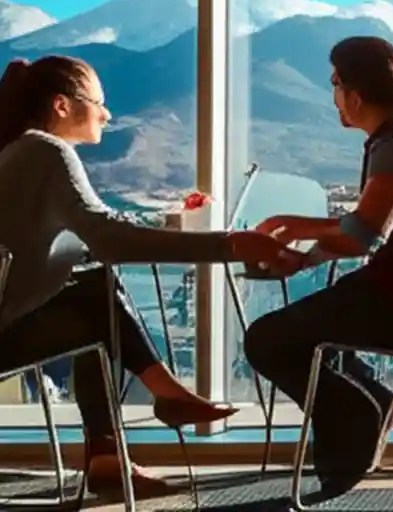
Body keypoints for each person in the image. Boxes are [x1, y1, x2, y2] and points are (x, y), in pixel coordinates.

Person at [0, 55, 293, 498]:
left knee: (95, 294)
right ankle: (137, 425)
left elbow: (93, 230)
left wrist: (167, 220)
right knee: (97, 301)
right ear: (62, 105)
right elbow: (109, 238)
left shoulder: (24, 152)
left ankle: (115, 449)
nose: (107, 113)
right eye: (98, 101)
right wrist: (228, 246)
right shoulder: (46, 151)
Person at [243, 36, 393, 494]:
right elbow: (371, 232)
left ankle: (360, 415)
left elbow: (365, 234)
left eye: (334, 82)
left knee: (266, 339)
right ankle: (368, 406)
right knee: (316, 333)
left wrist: (290, 225)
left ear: (353, 94)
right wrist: (308, 257)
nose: (332, 93)